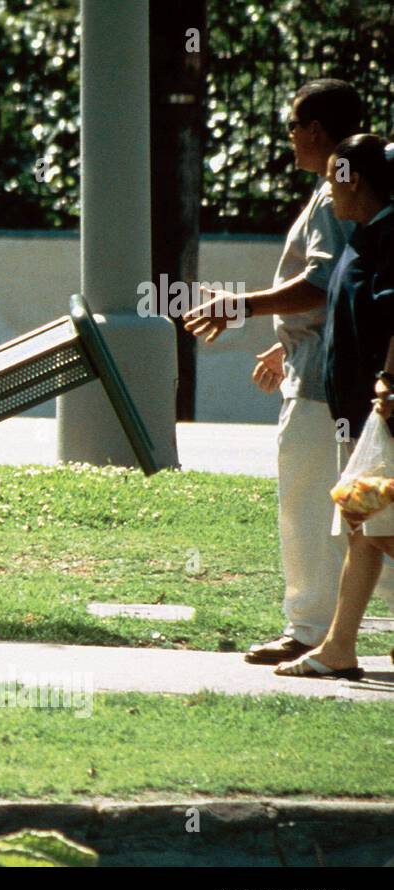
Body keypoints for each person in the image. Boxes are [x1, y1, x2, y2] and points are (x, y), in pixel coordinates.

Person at [181, 79, 379, 665]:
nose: (289, 139)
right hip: (323, 365)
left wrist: (239, 305)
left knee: (308, 505)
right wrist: (287, 345)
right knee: (352, 505)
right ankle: (324, 629)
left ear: (317, 130)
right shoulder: (351, 181)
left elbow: (322, 282)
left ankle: (310, 628)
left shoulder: (335, 189)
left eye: (294, 126)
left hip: (325, 382)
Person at [276, 134, 394, 679]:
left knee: (376, 527)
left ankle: (338, 646)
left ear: (352, 179)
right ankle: (339, 646)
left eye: (332, 178)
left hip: (384, 413)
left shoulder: (389, 237)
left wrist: (389, 383)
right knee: (363, 526)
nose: (328, 189)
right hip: (362, 413)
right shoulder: (365, 236)